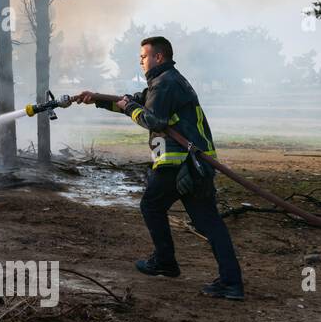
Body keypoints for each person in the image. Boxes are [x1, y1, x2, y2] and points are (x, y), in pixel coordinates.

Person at [74, 35, 245, 301]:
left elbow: (152, 118)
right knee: (209, 223)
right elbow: (136, 102)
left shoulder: (165, 84)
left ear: (158, 57)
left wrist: (130, 107)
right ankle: (231, 283)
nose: (140, 61)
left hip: (177, 163)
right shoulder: (166, 82)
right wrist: (96, 98)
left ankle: (165, 262)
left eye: (144, 56)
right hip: (193, 165)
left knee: (151, 206)